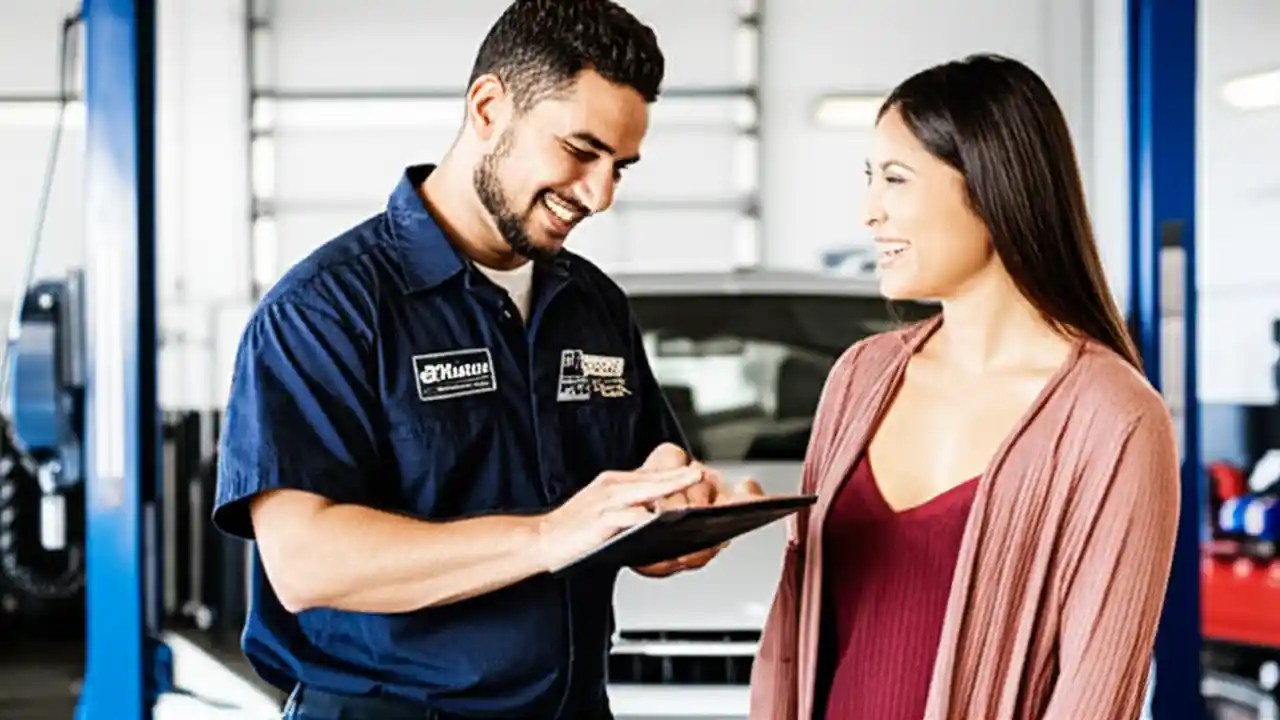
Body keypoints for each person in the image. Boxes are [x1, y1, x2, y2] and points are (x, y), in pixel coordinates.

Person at [211, 2, 759, 718]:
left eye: (620, 168)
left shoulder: (592, 305)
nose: (599, 196)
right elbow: (307, 562)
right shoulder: (327, 310)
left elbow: (630, 496)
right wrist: (549, 536)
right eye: (580, 151)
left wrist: (672, 519)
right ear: (490, 107)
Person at [749, 53, 1180, 720]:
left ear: (991, 187)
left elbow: (1097, 693)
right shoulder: (859, 379)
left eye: (896, 179)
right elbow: (794, 635)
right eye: (871, 179)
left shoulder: (1113, 418)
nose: (870, 214)